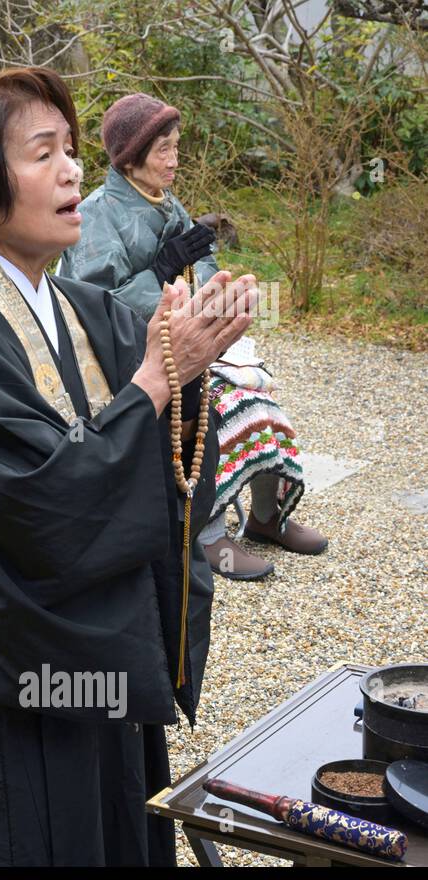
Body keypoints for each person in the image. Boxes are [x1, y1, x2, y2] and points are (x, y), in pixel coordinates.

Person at [0, 68, 258, 865]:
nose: (70, 173)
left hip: (102, 657)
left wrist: (187, 372)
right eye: (42, 152)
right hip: (7, 680)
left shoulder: (86, 310)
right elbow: (38, 506)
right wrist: (160, 379)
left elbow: (164, 452)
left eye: (71, 151)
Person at [58, 92, 327, 580]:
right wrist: (161, 275)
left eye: (176, 147)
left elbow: (202, 263)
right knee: (217, 410)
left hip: (187, 337)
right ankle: (208, 536)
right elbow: (97, 302)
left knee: (259, 395)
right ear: (130, 155)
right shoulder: (98, 212)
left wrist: (217, 302)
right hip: (134, 357)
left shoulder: (168, 203)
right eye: (163, 149)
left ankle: (269, 515)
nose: (173, 160)